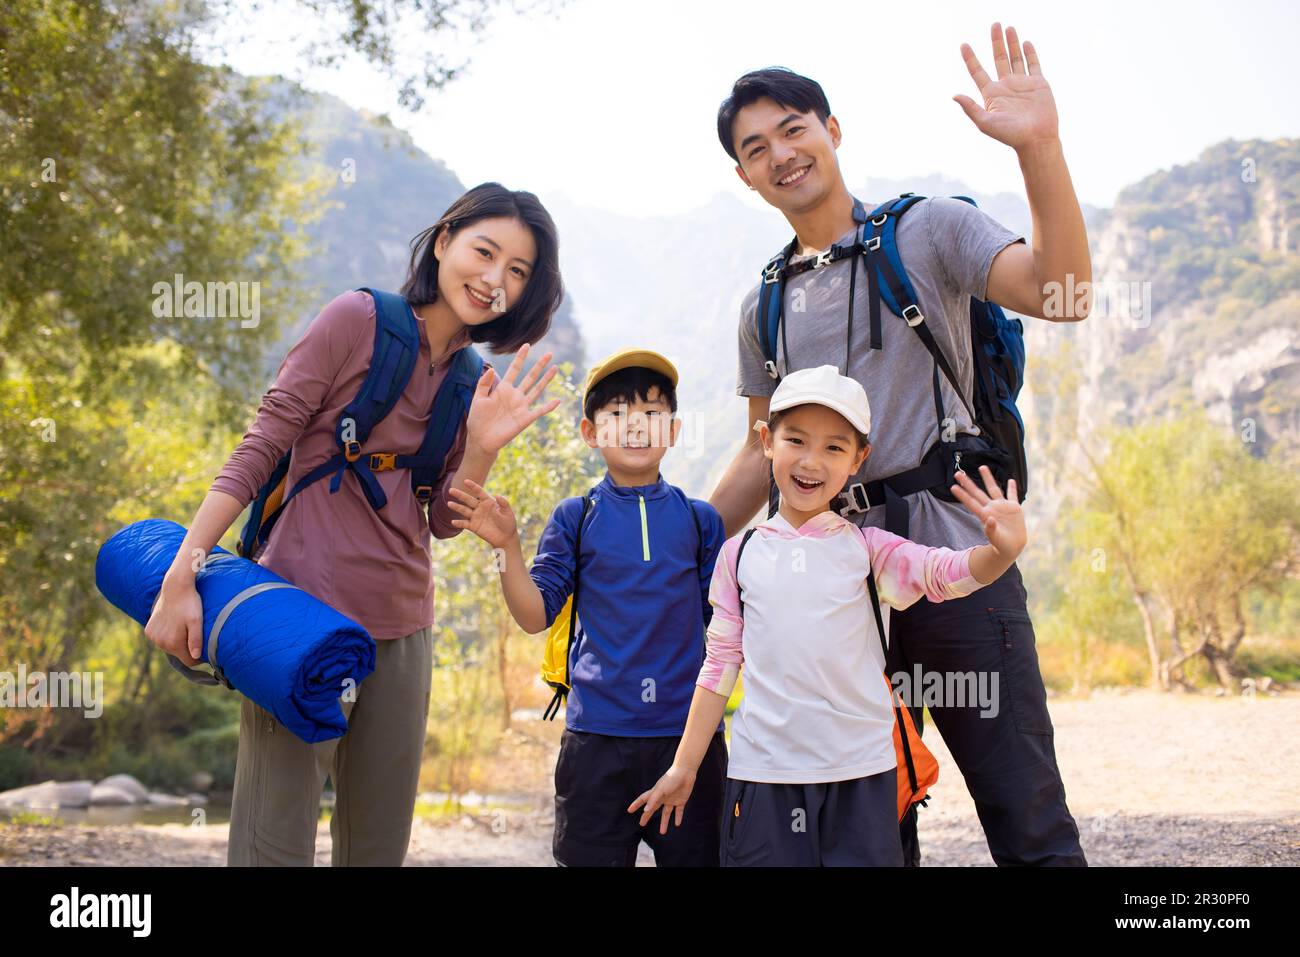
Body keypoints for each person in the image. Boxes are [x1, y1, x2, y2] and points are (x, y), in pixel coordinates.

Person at [707, 24, 1089, 865]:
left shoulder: (928, 231)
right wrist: (680, 546)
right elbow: (754, 454)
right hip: (834, 599)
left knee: (1026, 816)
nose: (781, 154)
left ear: (832, 129)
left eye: (794, 128)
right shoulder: (761, 307)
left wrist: (1041, 150)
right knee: (871, 835)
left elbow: (1062, 295)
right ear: (743, 175)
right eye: (756, 147)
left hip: (957, 570)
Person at [143, 182, 566, 866]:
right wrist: (182, 574)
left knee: (376, 848)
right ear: (443, 240)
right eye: (485, 252)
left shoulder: (467, 381)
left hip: (403, 631)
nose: (495, 280)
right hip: (297, 616)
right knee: (271, 843)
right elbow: (261, 447)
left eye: (517, 272)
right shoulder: (355, 320)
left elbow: (439, 521)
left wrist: (482, 447)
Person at [630, 365, 1026, 866]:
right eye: (796, 439)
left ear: (860, 459)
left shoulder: (868, 551)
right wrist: (684, 767)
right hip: (764, 775)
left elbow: (942, 573)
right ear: (766, 440)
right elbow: (719, 667)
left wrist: (999, 554)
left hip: (860, 772)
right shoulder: (739, 555)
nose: (811, 461)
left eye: (834, 448)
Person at [447, 349, 729, 866]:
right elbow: (535, 616)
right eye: (617, 414)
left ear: (673, 429)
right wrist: (507, 546)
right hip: (596, 739)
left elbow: (728, 634)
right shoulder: (575, 518)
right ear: (590, 431)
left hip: (688, 738)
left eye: (650, 413)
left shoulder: (700, 521)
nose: (635, 426)